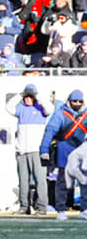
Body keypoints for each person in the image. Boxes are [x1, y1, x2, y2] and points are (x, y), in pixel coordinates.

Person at [39, 89, 87, 222]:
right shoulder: (61, 114)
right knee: (62, 182)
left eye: (79, 101)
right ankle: (61, 210)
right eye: (74, 101)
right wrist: (44, 149)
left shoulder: (86, 114)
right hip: (64, 149)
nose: (77, 103)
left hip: (82, 151)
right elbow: (50, 131)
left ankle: (85, 209)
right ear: (69, 101)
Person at [5, 84, 49, 215]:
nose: (28, 99)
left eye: (30, 97)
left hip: (36, 149)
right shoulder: (20, 109)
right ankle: (24, 206)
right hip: (22, 150)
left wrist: (37, 94)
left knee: (40, 180)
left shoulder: (41, 109)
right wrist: (20, 94)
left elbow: (50, 108)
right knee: (23, 180)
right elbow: (8, 107)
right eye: (26, 97)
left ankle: (41, 207)